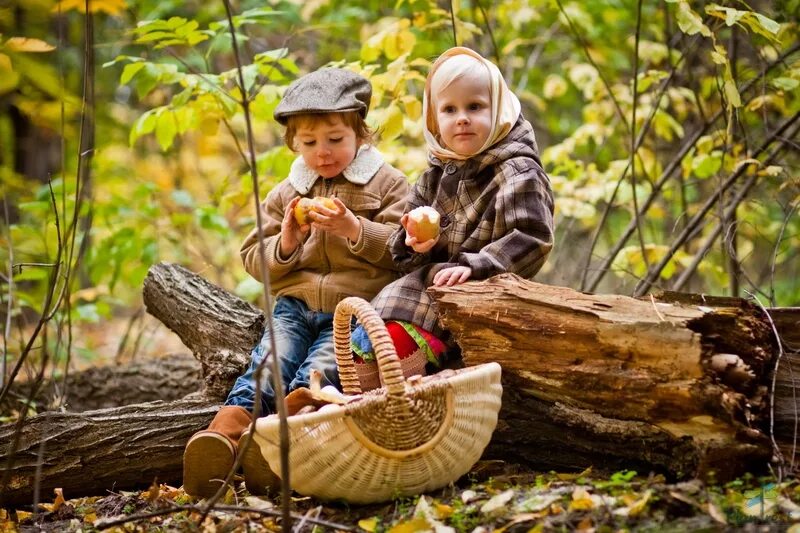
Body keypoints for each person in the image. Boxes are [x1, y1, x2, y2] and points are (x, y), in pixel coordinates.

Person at [182, 68, 409, 498]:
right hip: (294, 306)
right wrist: (287, 243)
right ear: (293, 143)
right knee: (270, 365)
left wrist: (353, 228)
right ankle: (221, 439)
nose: (322, 153)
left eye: (335, 140)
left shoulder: (388, 184)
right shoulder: (287, 192)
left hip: (352, 309)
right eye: (309, 143)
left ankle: (280, 449)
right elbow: (254, 258)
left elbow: (404, 250)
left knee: (319, 374)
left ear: (361, 133)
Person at [352, 47, 554, 369]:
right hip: (426, 290)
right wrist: (414, 242)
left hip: (482, 294)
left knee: (397, 352)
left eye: (475, 106)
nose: (462, 118)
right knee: (361, 348)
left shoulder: (516, 171)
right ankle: (357, 399)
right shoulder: (434, 174)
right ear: (435, 119)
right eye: (449, 109)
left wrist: (478, 265)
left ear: (500, 110)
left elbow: (532, 236)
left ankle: (406, 398)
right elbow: (405, 251)